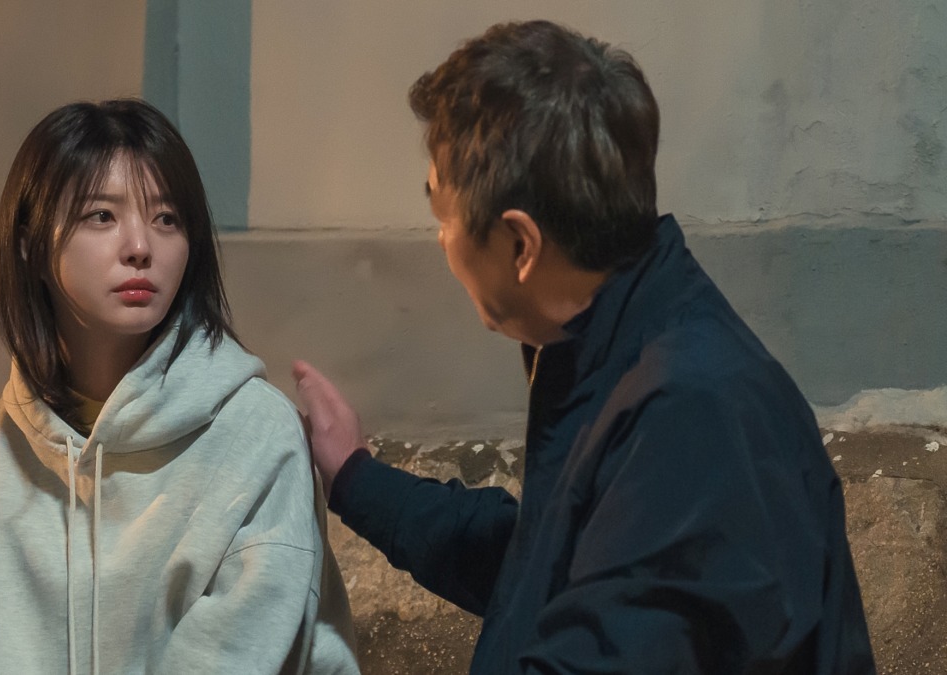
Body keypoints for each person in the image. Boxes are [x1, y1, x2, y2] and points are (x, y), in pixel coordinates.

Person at [293, 20, 875, 674]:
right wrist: (358, 478)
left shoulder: (692, 412)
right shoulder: (618, 347)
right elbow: (542, 567)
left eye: (443, 215)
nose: (441, 240)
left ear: (521, 244)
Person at [0, 99, 359, 674]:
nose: (140, 246)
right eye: (101, 216)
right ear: (31, 246)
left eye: (167, 218)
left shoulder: (256, 436)